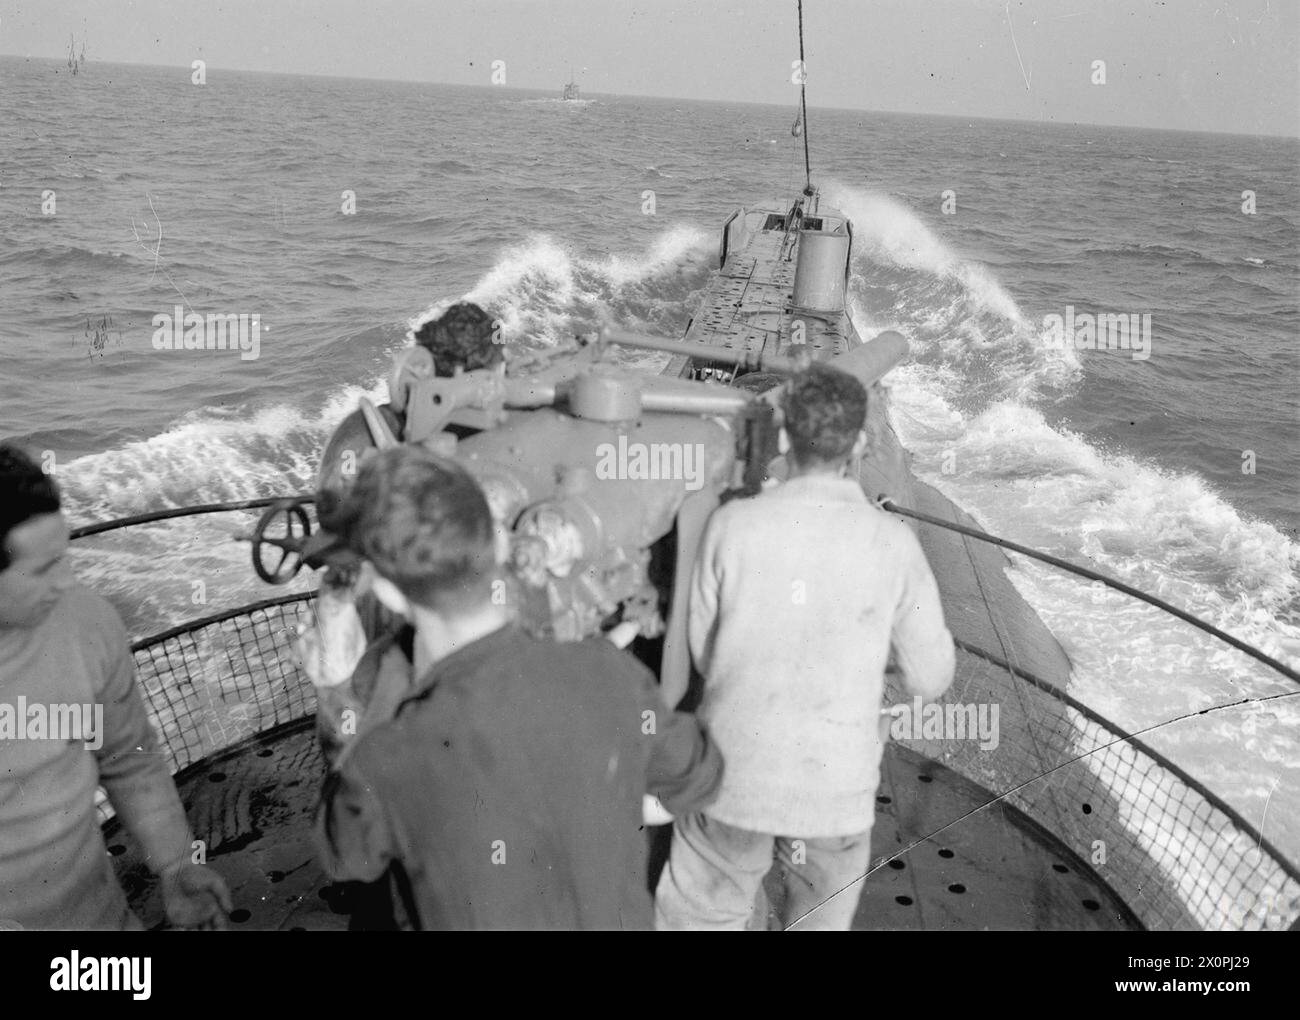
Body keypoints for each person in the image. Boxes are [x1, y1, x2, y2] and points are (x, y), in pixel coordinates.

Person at [304, 446, 723, 929]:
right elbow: (701, 774)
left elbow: (346, 856)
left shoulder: (388, 758)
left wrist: (335, 687)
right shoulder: (612, 675)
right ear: (500, 548)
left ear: (388, 592)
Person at [654, 362, 956, 931]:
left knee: (697, 917)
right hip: (832, 793)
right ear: (862, 442)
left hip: (729, 780)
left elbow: (702, 653)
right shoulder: (892, 543)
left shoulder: (733, 525)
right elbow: (930, 677)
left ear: (786, 438)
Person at [0, 444, 231, 929]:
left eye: (64, 555)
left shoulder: (86, 622)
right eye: (44, 569)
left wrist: (175, 865)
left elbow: (129, 758)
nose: (69, 582)